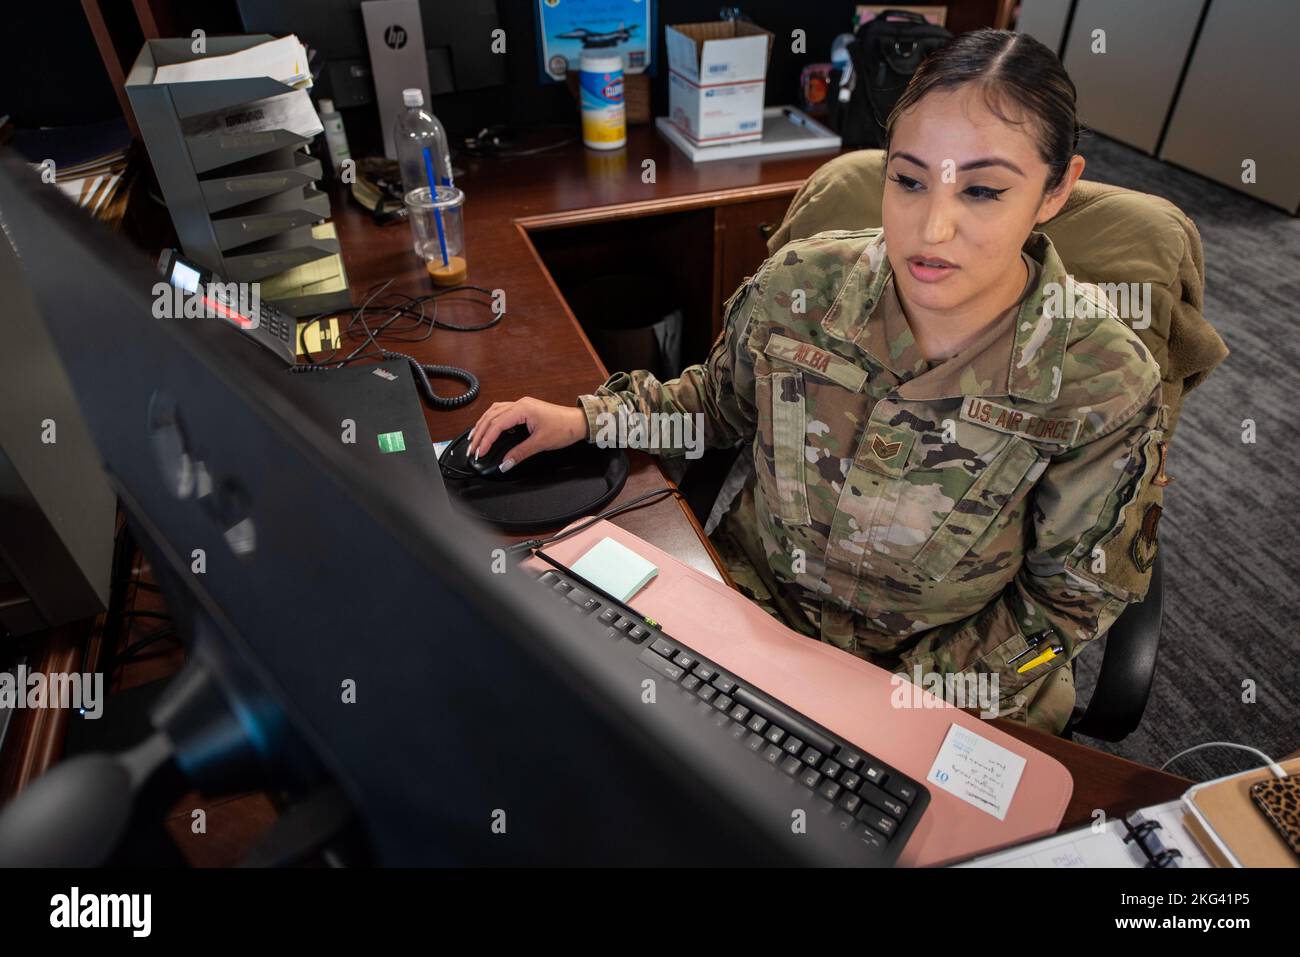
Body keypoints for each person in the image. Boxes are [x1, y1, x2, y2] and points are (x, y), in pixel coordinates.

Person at [469, 29, 1168, 735]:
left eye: (984, 190)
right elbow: (716, 405)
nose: (932, 227)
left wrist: (893, 703)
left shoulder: (1101, 381)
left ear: (1056, 190)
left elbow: (1066, 607)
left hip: (936, 692)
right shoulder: (803, 285)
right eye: (908, 179)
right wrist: (590, 419)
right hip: (752, 625)